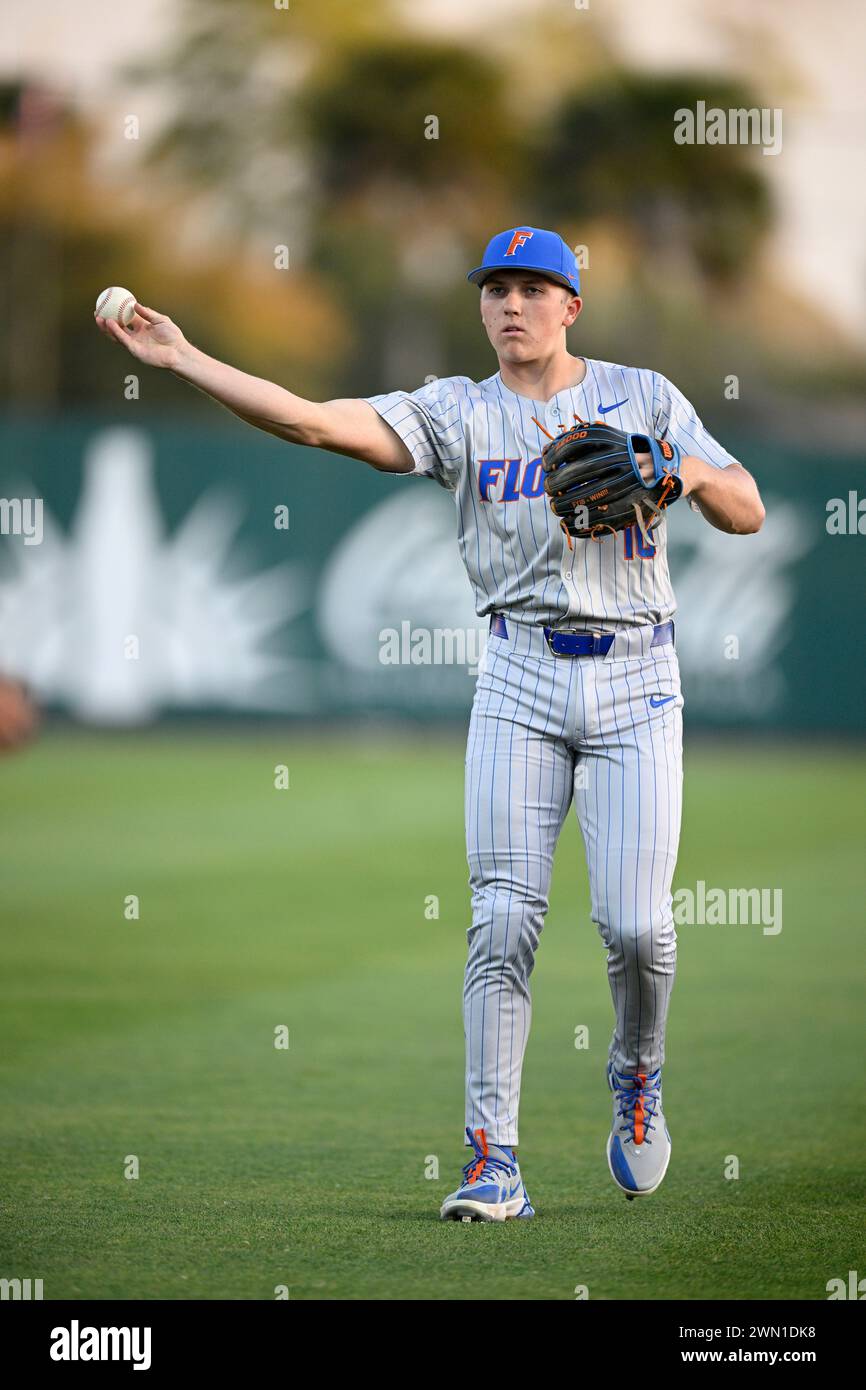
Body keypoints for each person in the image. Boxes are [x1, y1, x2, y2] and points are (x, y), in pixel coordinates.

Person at [95, 224, 765, 1222]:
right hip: (516, 672)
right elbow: (317, 422)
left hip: (637, 676)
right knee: (501, 917)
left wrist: (682, 472)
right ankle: (492, 1158)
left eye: (533, 289)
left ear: (569, 306)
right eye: (494, 288)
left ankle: (636, 1074)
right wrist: (184, 355)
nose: (509, 304)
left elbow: (745, 507)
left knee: (635, 927)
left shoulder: (644, 396)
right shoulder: (457, 412)